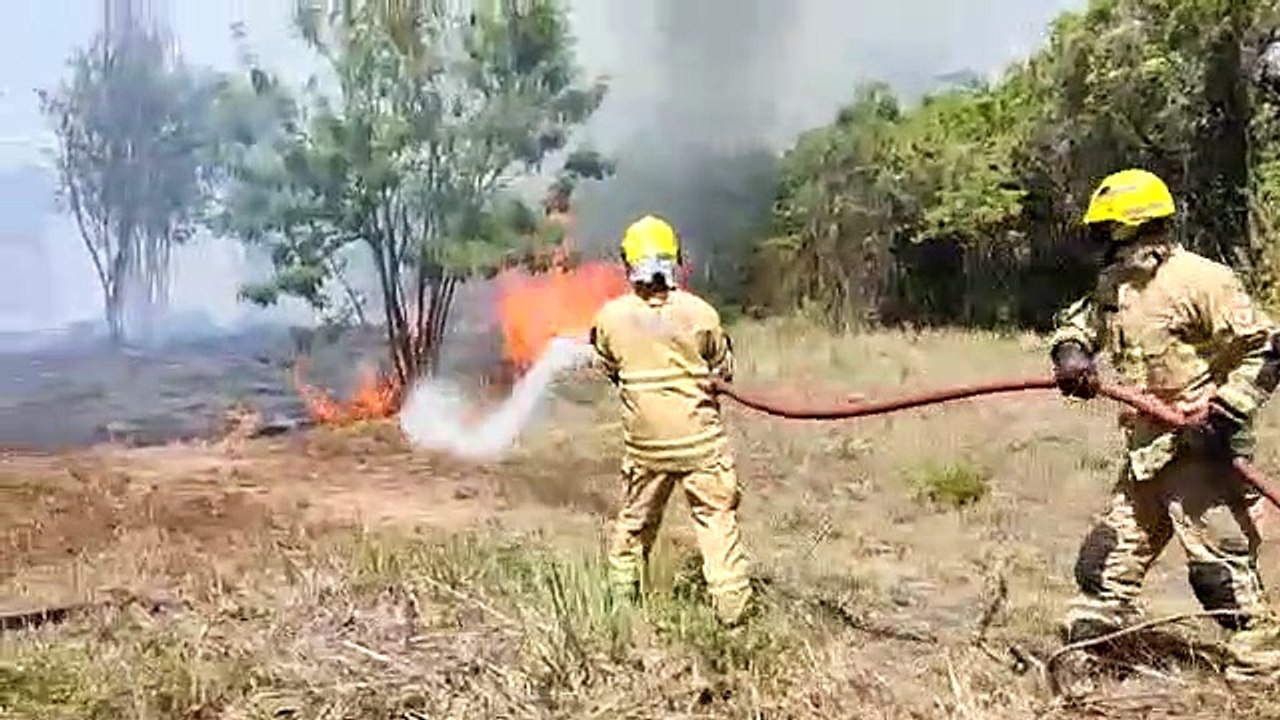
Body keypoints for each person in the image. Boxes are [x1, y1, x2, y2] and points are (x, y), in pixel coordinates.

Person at [1050, 168, 1280, 678]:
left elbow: (1267, 349)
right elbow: (1080, 324)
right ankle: (1094, 651)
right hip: (1145, 456)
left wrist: (1225, 412)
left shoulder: (1201, 281)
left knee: (1222, 580)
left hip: (1202, 457)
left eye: (1104, 228)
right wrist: (1071, 355)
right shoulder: (1115, 283)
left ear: (1131, 226)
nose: (1097, 240)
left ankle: (1261, 677)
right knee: (1102, 565)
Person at [589, 214, 752, 625]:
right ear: (674, 260)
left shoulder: (610, 317)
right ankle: (733, 617)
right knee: (717, 524)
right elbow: (723, 367)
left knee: (634, 526)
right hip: (701, 445)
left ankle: (622, 610)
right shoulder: (700, 312)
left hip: (646, 448)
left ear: (628, 263)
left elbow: (606, 367)